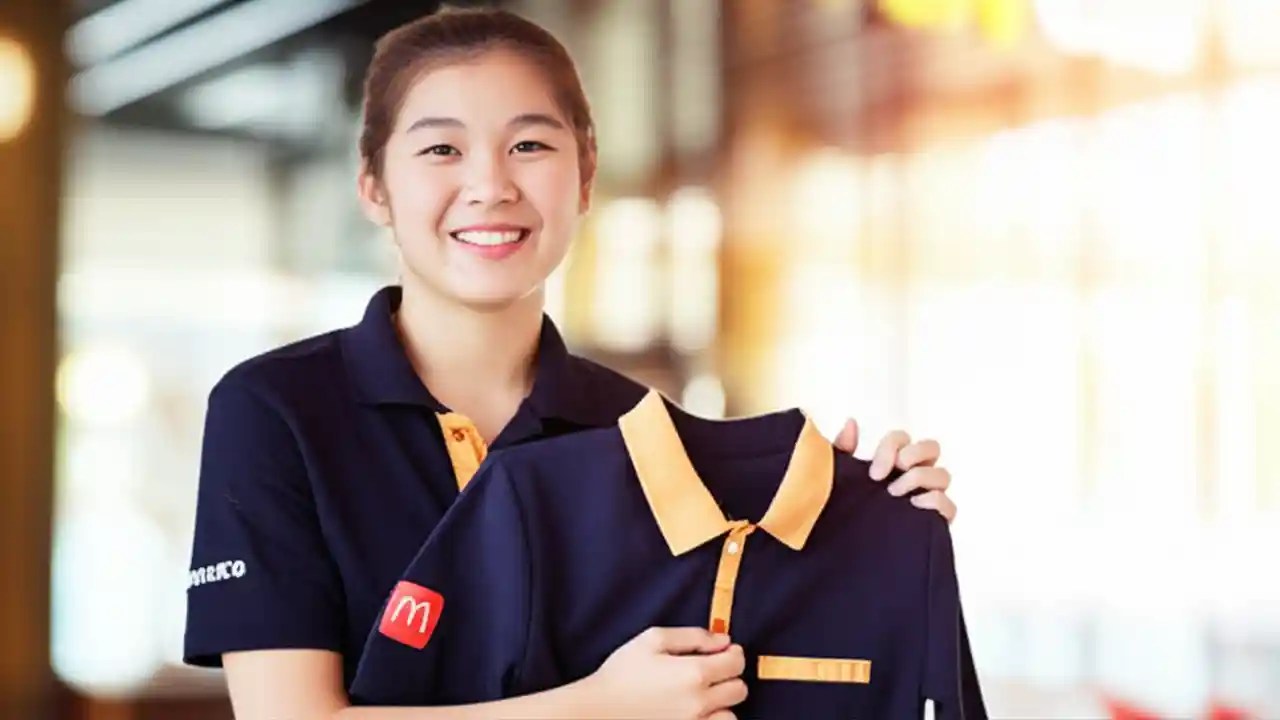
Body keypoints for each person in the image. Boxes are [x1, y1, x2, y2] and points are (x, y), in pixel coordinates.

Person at [183, 8, 958, 720]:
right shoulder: (276, 410)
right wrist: (597, 709)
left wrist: (873, 519)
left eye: (529, 145)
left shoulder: (643, 431)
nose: (489, 186)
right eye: (441, 149)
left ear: (585, 175)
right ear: (375, 187)